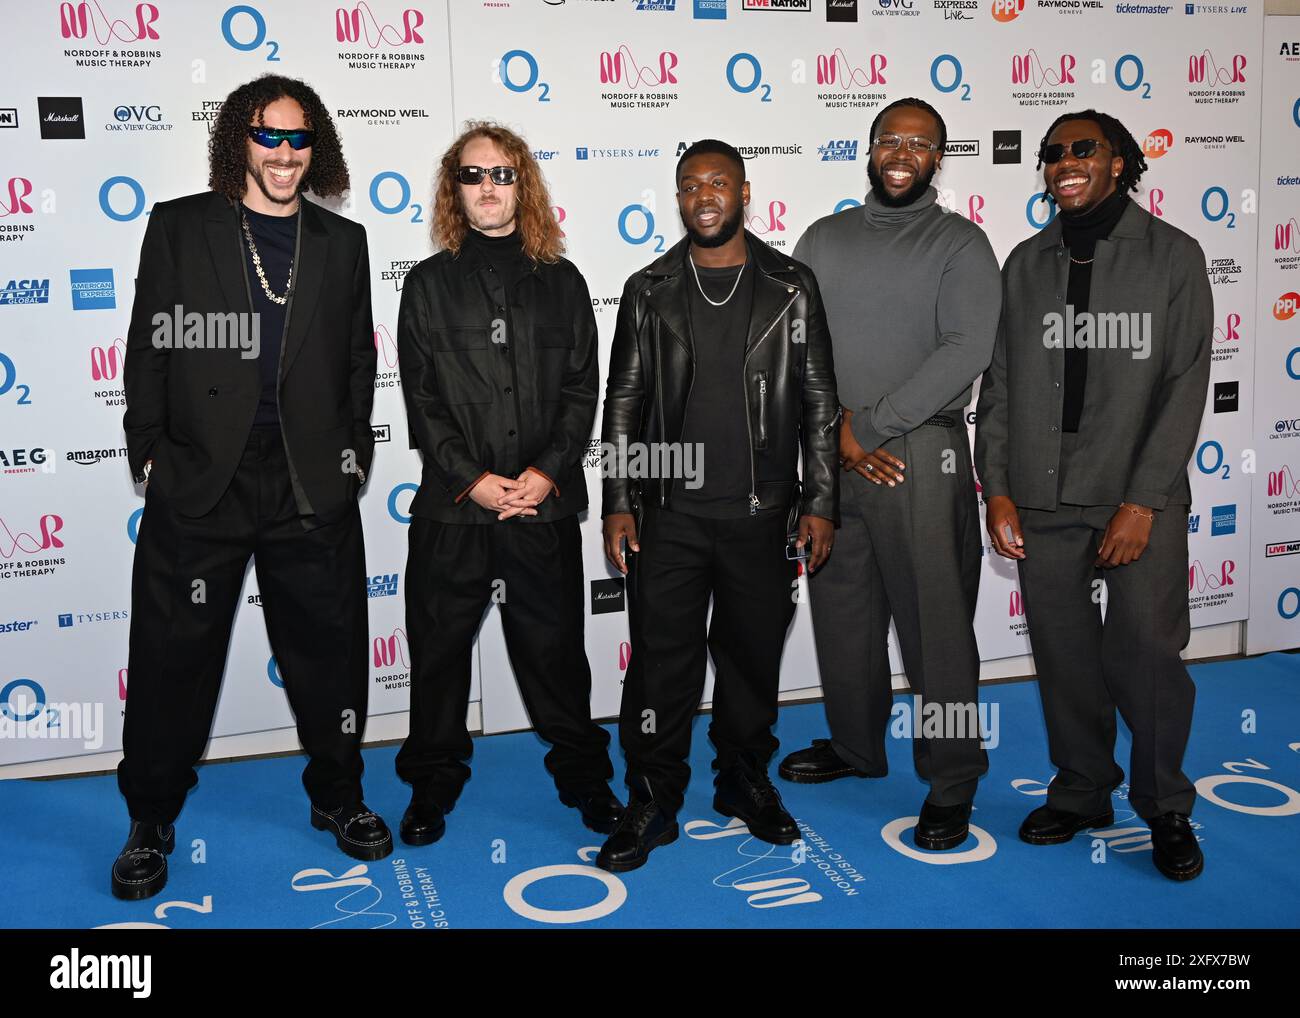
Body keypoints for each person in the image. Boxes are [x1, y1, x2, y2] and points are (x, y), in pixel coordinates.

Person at [116, 74, 384, 900]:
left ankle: (338, 796)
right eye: (269, 136)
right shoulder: (180, 227)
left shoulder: (342, 244)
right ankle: (151, 817)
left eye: (300, 139)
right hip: (203, 480)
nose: (284, 154)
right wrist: (151, 448)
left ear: (317, 149)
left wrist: (351, 463)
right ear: (241, 139)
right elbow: (151, 338)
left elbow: (356, 364)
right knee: (170, 658)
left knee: (331, 654)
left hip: (310, 484)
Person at [974, 110, 1212, 881]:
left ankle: (1166, 806)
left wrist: (1143, 500)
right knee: (1065, 650)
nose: (1063, 163)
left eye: (1082, 150)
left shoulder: (1173, 256)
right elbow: (1003, 382)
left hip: (1133, 485)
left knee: (1145, 648)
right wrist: (998, 488)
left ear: (1120, 163)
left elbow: (1184, 385)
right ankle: (1083, 787)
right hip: (1040, 489)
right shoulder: (1026, 262)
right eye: (1051, 154)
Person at [596, 140, 840, 872]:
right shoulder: (649, 288)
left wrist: (821, 500)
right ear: (678, 199)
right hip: (668, 515)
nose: (705, 195)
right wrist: (619, 500)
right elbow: (624, 403)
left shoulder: (792, 285)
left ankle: (743, 780)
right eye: (690, 185)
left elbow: (821, 401)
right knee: (660, 669)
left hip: (762, 514)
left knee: (750, 662)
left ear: (742, 191)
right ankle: (652, 797)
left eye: (718, 182)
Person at [780, 98, 1001, 852]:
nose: (903, 152)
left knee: (936, 631)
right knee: (842, 617)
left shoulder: (960, 244)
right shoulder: (823, 236)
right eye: (891, 139)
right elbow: (796, 342)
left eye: (921, 142)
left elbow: (966, 350)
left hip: (920, 460)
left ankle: (952, 777)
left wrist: (864, 427)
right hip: (832, 457)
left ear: (939, 157)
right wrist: (830, 435)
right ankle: (855, 747)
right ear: (869, 149)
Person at [394, 122, 621, 847]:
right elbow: (422, 399)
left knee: (556, 655)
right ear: (452, 189)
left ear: (523, 185)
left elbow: (584, 389)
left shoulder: (564, 280)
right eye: (472, 175)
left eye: (501, 175)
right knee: (436, 657)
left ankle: (586, 779)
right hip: (455, 511)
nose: (487, 188)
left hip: (541, 507)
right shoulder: (426, 285)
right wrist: (475, 480)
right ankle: (432, 781)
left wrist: (546, 472)